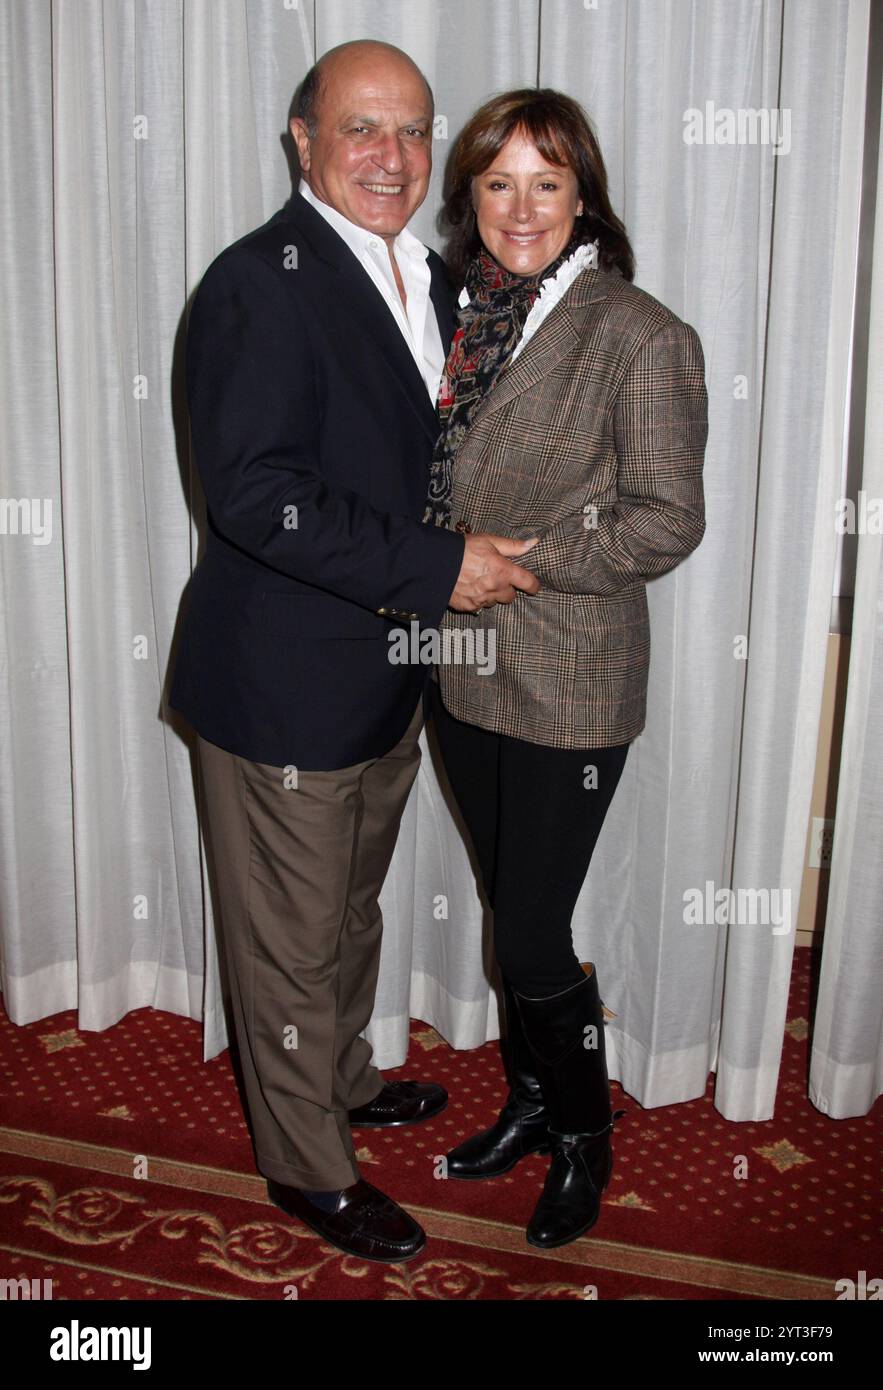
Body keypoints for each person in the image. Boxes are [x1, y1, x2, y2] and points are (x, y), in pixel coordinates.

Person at [168, 41, 539, 1265]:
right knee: (288, 939)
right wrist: (439, 569)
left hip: (387, 674)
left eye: (414, 131)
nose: (392, 156)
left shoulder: (430, 275)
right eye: (361, 128)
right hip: (282, 683)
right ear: (302, 139)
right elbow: (257, 496)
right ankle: (308, 1168)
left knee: (347, 910)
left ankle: (341, 1077)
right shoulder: (256, 283)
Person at [425, 88, 708, 1249]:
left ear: (583, 196)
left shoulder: (638, 333)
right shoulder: (456, 315)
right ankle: (534, 1101)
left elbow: (665, 519)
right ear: (470, 198)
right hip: (457, 663)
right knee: (510, 911)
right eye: (498, 182)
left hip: (570, 676)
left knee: (536, 926)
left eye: (546, 182)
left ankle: (585, 1130)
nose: (521, 207)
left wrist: (521, 562)